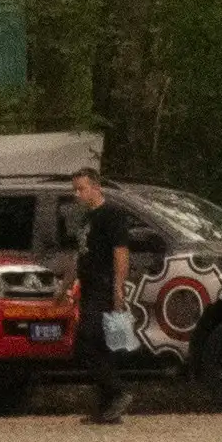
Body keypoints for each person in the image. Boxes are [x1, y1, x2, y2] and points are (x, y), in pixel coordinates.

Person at [70, 165, 140, 427]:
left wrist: (118, 289)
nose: (77, 194)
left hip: (103, 285)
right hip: (88, 286)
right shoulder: (86, 219)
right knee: (100, 346)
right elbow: (79, 254)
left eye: (82, 188)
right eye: (74, 189)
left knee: (88, 339)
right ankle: (106, 408)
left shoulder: (111, 215)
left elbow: (120, 254)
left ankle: (118, 390)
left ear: (96, 187)